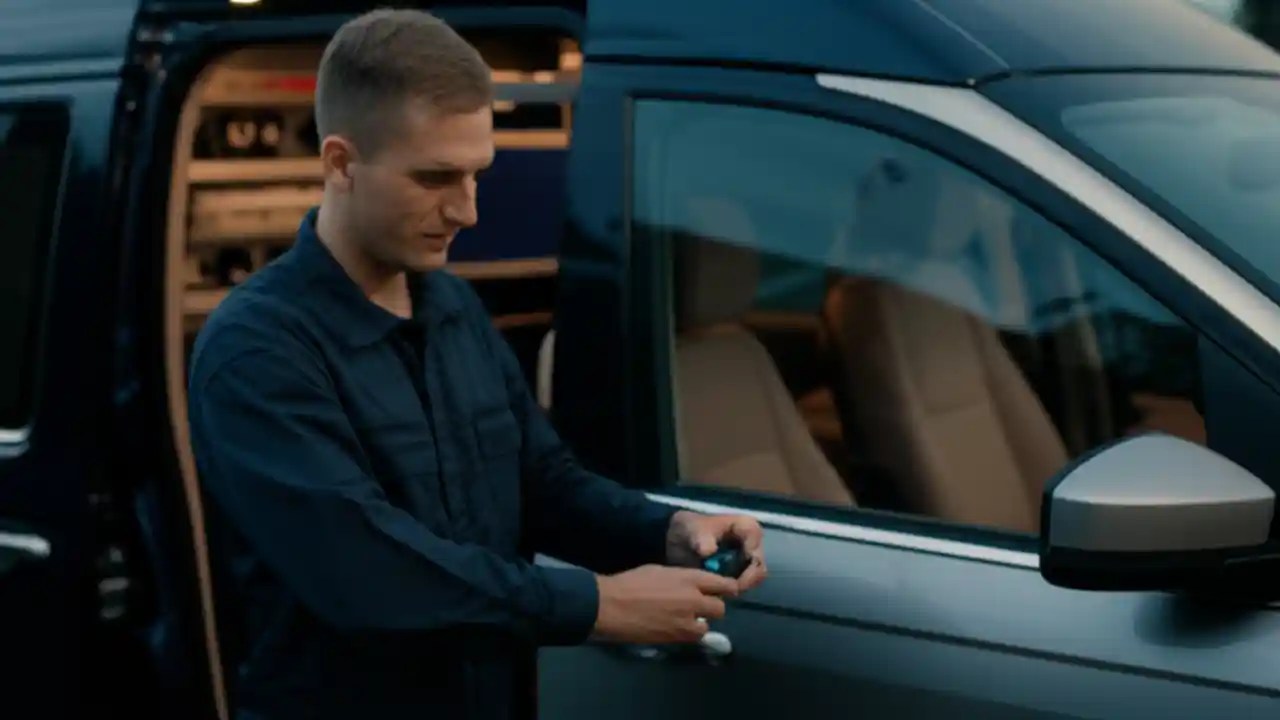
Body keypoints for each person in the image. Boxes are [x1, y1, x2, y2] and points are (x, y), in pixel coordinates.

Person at [186, 9, 768, 720]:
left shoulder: (455, 310)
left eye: (476, 175)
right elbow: (371, 578)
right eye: (436, 178)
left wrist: (665, 530)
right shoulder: (256, 351)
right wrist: (600, 605)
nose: (467, 210)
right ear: (340, 162)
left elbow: (541, 482)